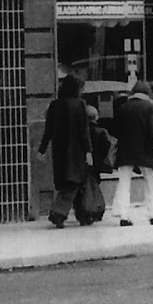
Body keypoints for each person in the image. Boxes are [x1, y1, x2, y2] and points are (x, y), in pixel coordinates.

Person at [37, 72, 90, 228]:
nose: (83, 91)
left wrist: (42, 150)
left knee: (74, 182)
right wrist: (88, 151)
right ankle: (58, 213)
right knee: (74, 182)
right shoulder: (80, 104)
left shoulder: (55, 105)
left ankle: (84, 214)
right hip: (77, 151)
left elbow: (48, 130)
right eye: (81, 87)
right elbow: (84, 130)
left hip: (59, 150)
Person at [111, 80, 153, 226]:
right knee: (149, 180)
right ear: (147, 93)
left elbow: (115, 130)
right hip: (144, 150)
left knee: (124, 181)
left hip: (125, 149)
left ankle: (123, 214)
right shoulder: (149, 107)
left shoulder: (123, 107)